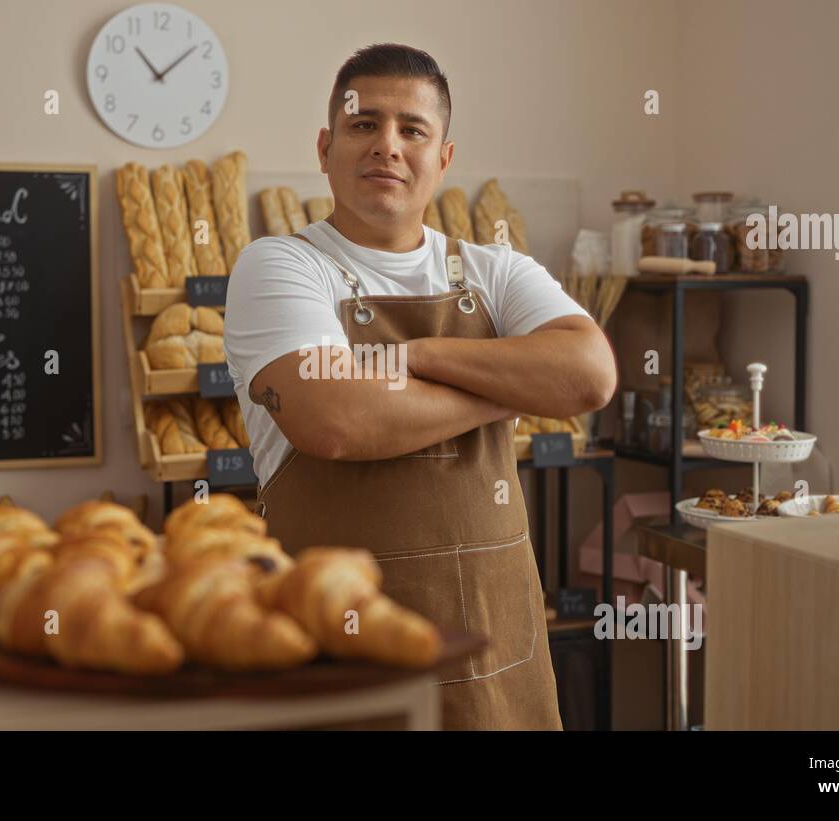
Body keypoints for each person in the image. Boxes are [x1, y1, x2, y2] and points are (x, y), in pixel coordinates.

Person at [224, 43, 616, 730]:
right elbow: (337, 420)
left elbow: (588, 375)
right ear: (325, 146)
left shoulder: (496, 268)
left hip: (497, 655)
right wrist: (514, 382)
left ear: (444, 157)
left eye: (412, 129)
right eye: (363, 124)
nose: (387, 146)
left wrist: (419, 355)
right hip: (339, 655)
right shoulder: (279, 265)